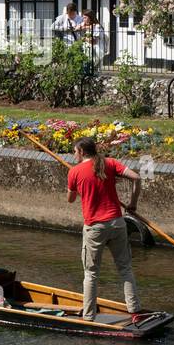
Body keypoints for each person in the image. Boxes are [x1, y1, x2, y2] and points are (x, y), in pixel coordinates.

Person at [65, 137, 143, 320]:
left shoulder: (75, 172)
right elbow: (137, 178)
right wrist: (132, 204)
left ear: (82, 152)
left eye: (75, 152)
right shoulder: (110, 163)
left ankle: (89, 316)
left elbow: (70, 199)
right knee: (125, 268)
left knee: (91, 273)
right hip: (117, 223)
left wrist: (76, 185)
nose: (73, 155)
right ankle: (135, 311)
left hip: (95, 227)